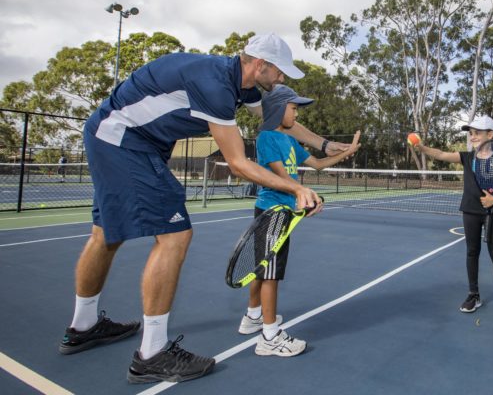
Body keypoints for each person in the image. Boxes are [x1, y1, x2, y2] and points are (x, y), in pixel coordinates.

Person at [60, 33, 351, 384]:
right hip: (125, 141)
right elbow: (239, 163)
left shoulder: (241, 85)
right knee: (175, 235)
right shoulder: (214, 85)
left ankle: (84, 325)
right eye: (279, 72)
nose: (282, 79)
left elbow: (275, 115)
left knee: (105, 233)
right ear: (260, 64)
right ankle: (152, 354)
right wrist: (297, 187)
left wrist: (323, 143)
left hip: (118, 138)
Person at [237, 85, 360, 356]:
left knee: (263, 268)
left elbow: (317, 163)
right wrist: (308, 196)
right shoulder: (267, 138)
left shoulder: (288, 140)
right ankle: (269, 336)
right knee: (271, 274)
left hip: (284, 212)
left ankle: (253, 317)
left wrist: (346, 153)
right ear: (279, 109)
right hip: (272, 212)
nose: (296, 113)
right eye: (293, 108)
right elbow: (282, 178)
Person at [413, 116, 493, 322]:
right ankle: (474, 295)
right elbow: (441, 154)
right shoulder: (467, 158)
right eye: (471, 133)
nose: (473, 136)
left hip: (492, 212)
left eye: (478, 132)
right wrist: (423, 149)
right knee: (472, 252)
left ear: (491, 135)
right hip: (470, 211)